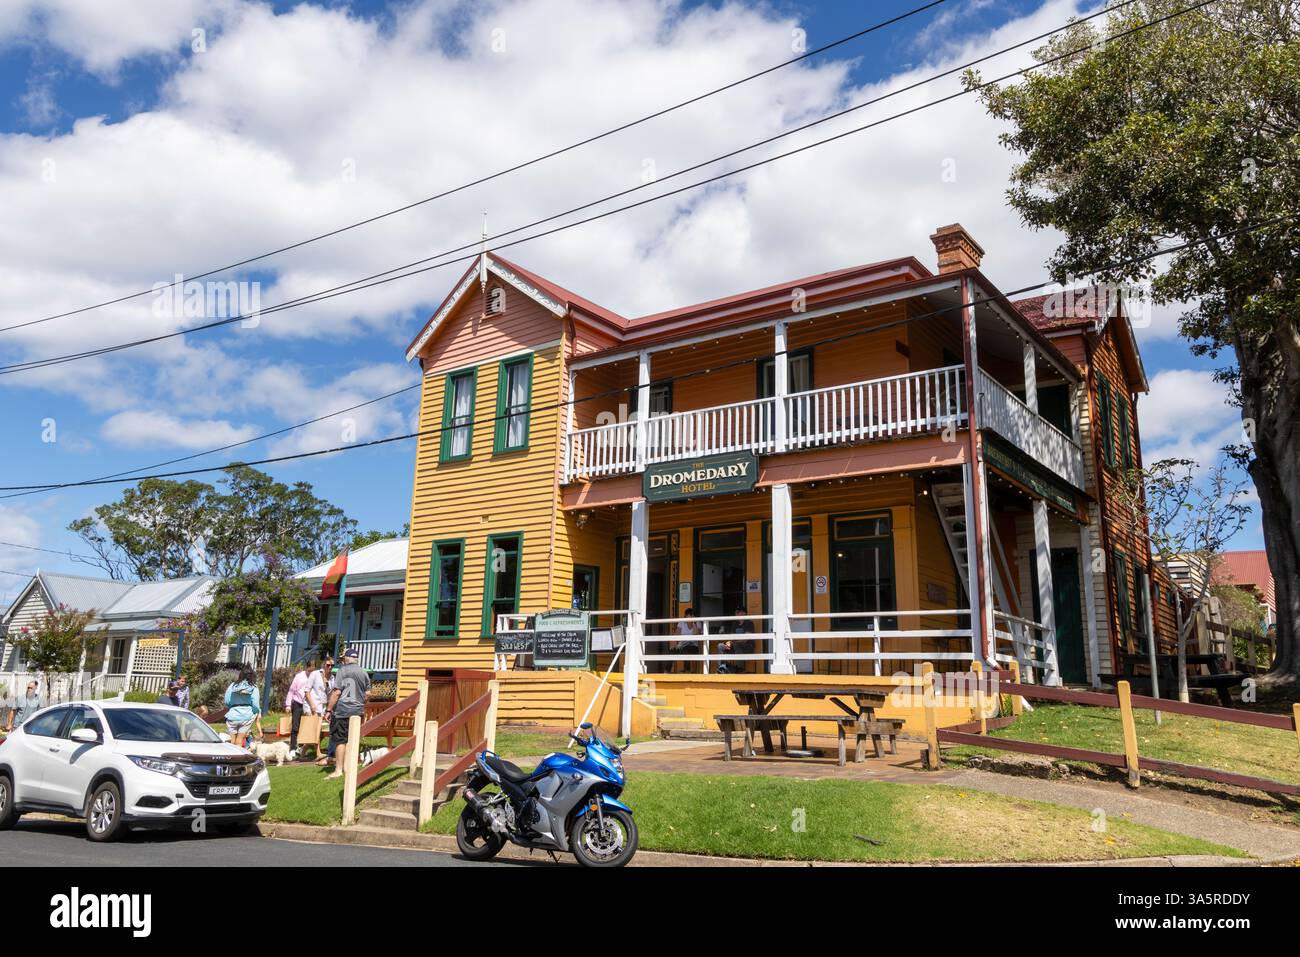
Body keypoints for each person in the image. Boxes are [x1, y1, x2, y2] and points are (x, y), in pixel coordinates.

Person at [321, 648, 370, 778]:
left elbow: (337, 692)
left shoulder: (342, 671)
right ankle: (348, 768)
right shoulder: (364, 673)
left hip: (343, 711)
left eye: (344, 658)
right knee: (351, 740)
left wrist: (328, 710)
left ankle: (338, 770)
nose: (343, 660)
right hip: (358, 712)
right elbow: (367, 694)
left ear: (347, 658)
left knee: (340, 741)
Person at [284, 662, 321, 753]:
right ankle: (293, 747)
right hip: (298, 702)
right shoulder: (299, 676)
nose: (311, 673)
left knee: (306, 726)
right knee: (295, 725)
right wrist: (288, 705)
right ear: (306, 668)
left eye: (313, 671)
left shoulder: (316, 677)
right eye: (309, 671)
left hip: (309, 704)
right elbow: (292, 690)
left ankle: (302, 747)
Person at [222, 666, 262, 748]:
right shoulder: (254, 687)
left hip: (232, 715)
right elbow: (255, 704)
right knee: (239, 741)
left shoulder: (233, 685)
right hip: (246, 716)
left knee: (231, 742)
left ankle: (229, 758)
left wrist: (232, 707)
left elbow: (226, 701)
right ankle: (237, 758)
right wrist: (254, 712)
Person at [718, 607, 755, 674]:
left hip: (747, 647)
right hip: (735, 645)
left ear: (744, 613)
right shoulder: (735, 624)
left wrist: (735, 641)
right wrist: (730, 642)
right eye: (736, 612)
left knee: (736, 644)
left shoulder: (749, 623)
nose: (736, 614)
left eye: (738, 612)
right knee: (721, 646)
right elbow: (732, 637)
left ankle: (740, 668)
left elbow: (745, 639)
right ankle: (722, 667)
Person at [674, 608, 700, 674]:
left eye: (691, 615)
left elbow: (696, 633)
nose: (689, 617)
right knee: (671, 650)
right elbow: (676, 634)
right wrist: (674, 644)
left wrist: (694, 622)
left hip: (693, 645)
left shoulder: (697, 622)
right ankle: (667, 671)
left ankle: (687, 670)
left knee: (687, 649)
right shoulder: (682, 622)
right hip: (682, 644)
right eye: (688, 615)